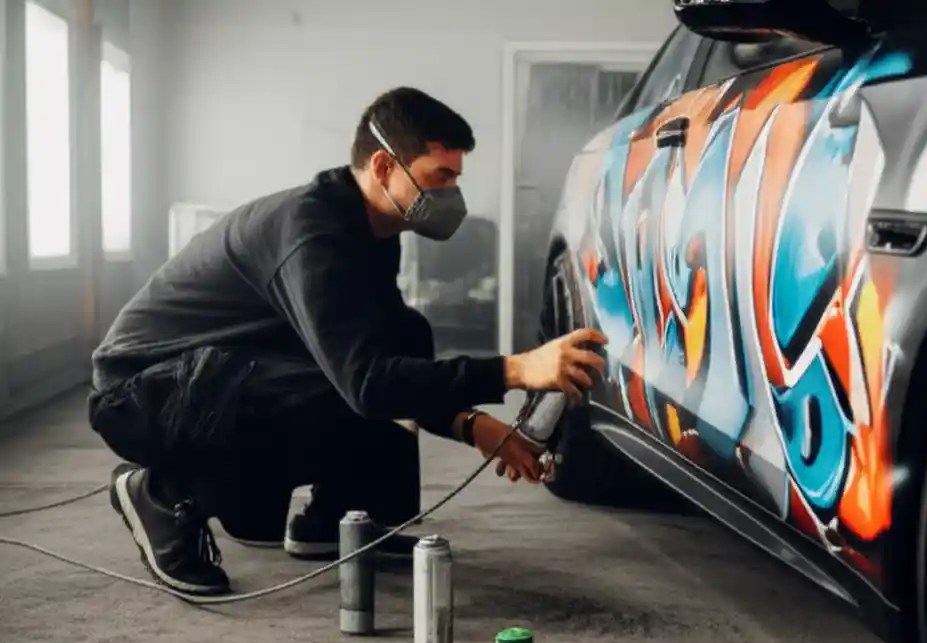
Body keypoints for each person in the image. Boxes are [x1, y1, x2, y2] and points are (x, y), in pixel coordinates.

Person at [87, 86, 607, 596]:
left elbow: (386, 353)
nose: (452, 195)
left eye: (455, 178)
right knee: (353, 389)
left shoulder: (371, 232)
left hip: (219, 377)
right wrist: (515, 370)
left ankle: (340, 519)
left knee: (404, 332)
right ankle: (158, 493)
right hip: (143, 394)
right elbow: (368, 384)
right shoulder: (313, 234)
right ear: (384, 168)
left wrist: (471, 424)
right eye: (440, 176)